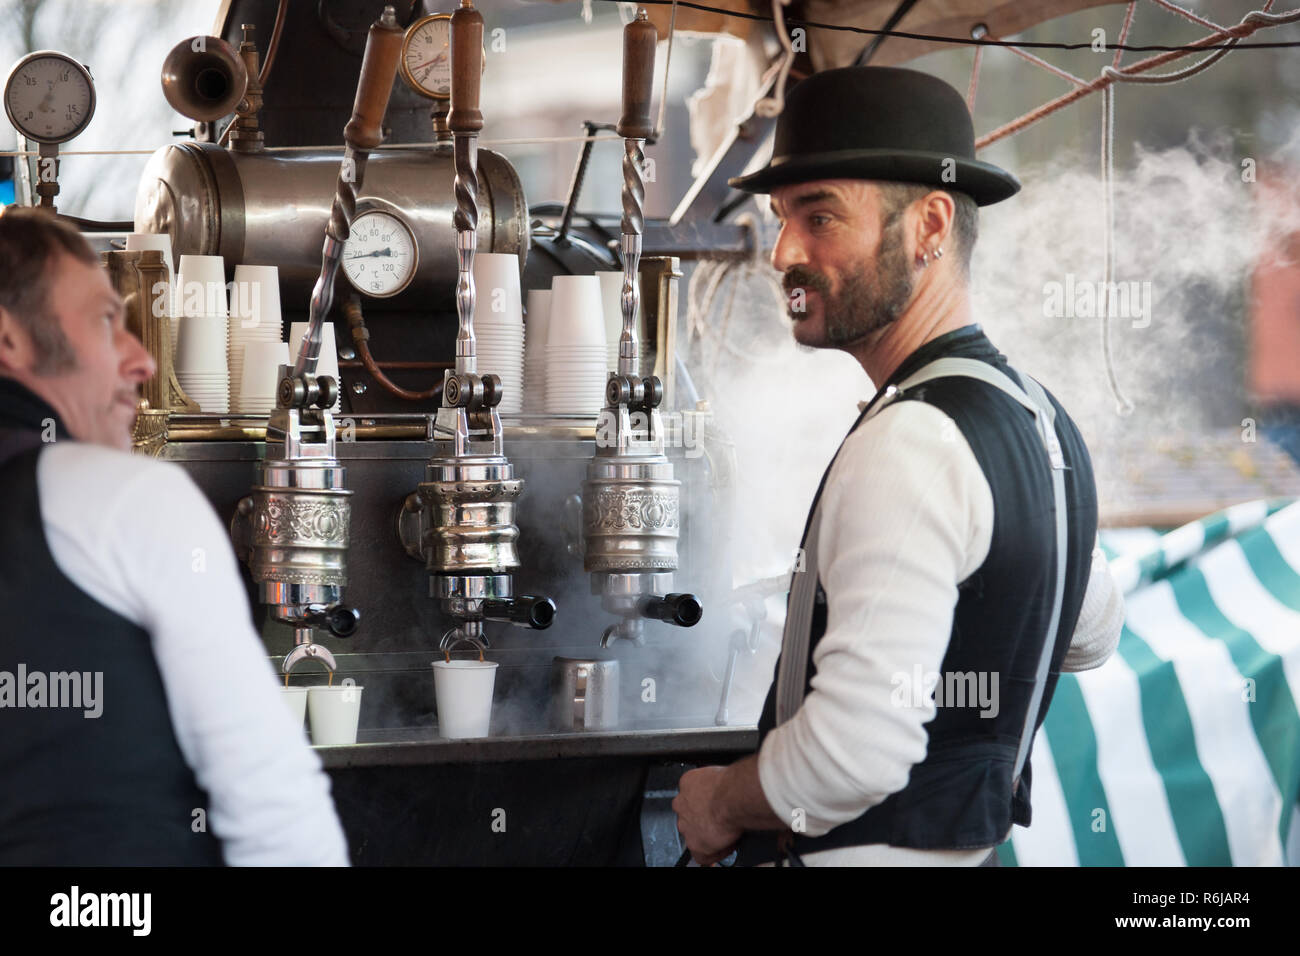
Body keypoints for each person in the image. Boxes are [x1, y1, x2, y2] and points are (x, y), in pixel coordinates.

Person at [673, 67, 1125, 866]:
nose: (783, 252)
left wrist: (720, 799)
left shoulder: (912, 442)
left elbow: (852, 755)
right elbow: (1089, 629)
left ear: (930, 226)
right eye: (781, 218)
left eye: (820, 216)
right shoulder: (1044, 421)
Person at [0, 206, 348, 865]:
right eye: (107, 321)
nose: (141, 360)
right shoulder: (127, 501)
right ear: (9, 340)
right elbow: (278, 818)